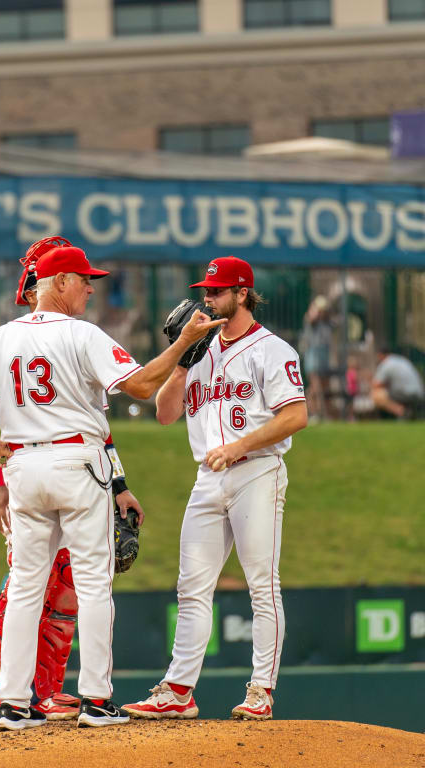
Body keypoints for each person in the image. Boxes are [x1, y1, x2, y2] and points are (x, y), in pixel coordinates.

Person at [0, 241, 223, 731]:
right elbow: (139, 386)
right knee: (92, 585)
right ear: (59, 283)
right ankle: (95, 700)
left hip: (23, 466)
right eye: (84, 279)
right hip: (75, 464)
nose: (90, 287)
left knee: (26, 586)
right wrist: (181, 344)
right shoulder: (82, 334)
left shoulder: (1, 338)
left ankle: (12, 704)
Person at [127, 255, 308, 723]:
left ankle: (261, 690)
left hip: (256, 470)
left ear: (243, 293)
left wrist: (240, 446)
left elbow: (295, 416)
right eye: (206, 291)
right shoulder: (201, 351)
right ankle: (179, 690)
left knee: (262, 585)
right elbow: (165, 414)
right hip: (208, 476)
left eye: (217, 291)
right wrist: (183, 362)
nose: (207, 298)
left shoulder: (273, 350)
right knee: (191, 587)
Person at [0, 238, 145, 725]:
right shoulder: (19, 337)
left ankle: (38, 692)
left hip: (56, 466)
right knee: (29, 586)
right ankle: (1, 692)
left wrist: (119, 483)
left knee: (59, 586)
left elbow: (94, 422)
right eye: (81, 277)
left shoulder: (41, 337)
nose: (89, 287)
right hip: (31, 468)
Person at [300, 296, 335, 421]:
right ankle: (317, 414)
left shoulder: (327, 322)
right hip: (313, 353)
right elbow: (312, 318)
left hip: (324, 355)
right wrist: (315, 309)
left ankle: (315, 412)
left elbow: (333, 323)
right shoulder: (311, 318)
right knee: (315, 386)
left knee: (322, 387)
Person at [369, 346, 425, 419]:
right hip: (419, 392)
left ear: (381, 355)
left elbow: (376, 384)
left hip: (405, 393)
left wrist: (368, 379)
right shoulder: (401, 360)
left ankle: (401, 411)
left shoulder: (386, 363)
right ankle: (405, 412)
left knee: (376, 395)